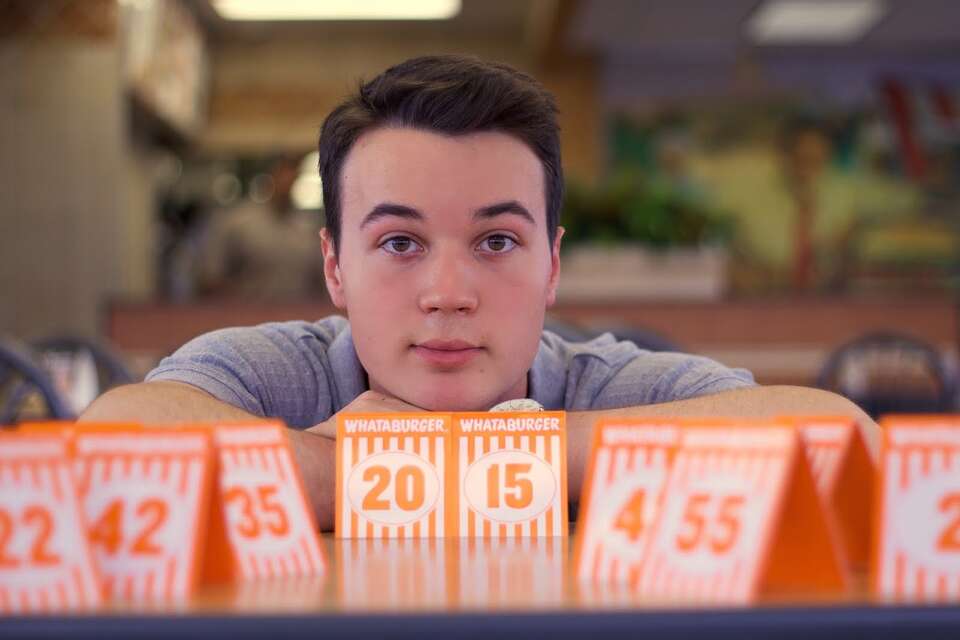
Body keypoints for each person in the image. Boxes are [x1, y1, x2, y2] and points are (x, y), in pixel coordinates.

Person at [80, 55, 877, 530]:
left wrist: (510, 453)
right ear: (333, 269)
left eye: (497, 241)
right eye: (399, 243)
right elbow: (111, 444)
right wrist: (348, 468)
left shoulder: (607, 385)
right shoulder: (276, 373)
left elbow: (844, 447)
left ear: (553, 266)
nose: (448, 292)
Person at [198, 155, 324, 300]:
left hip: (297, 313)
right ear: (269, 178)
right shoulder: (238, 223)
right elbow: (212, 277)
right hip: (247, 314)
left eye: (291, 177)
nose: (286, 183)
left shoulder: (308, 228)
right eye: (281, 175)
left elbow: (320, 282)